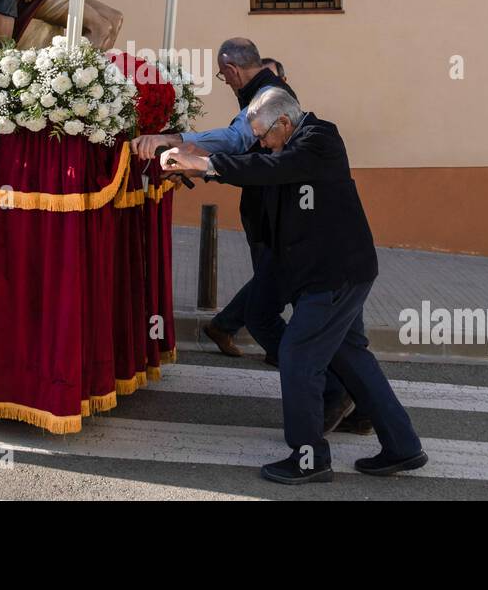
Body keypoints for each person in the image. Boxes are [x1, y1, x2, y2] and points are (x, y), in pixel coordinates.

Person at [163, 88, 427, 484]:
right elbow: (257, 165)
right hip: (315, 270)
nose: (260, 143)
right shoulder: (285, 145)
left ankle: (309, 459)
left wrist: (206, 163)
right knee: (352, 358)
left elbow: (274, 168)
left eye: (264, 135)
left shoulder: (320, 139)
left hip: (333, 274)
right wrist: (200, 166)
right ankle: (404, 446)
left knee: (299, 356)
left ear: (284, 123)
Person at [134, 39, 358, 434]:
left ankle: (329, 400)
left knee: (293, 323)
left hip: (289, 233)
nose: (225, 81)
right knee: (342, 335)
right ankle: (360, 406)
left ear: (231, 69)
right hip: (294, 234)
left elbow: (238, 141)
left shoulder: (269, 96)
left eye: (222, 76)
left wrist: (182, 144)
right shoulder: (267, 93)